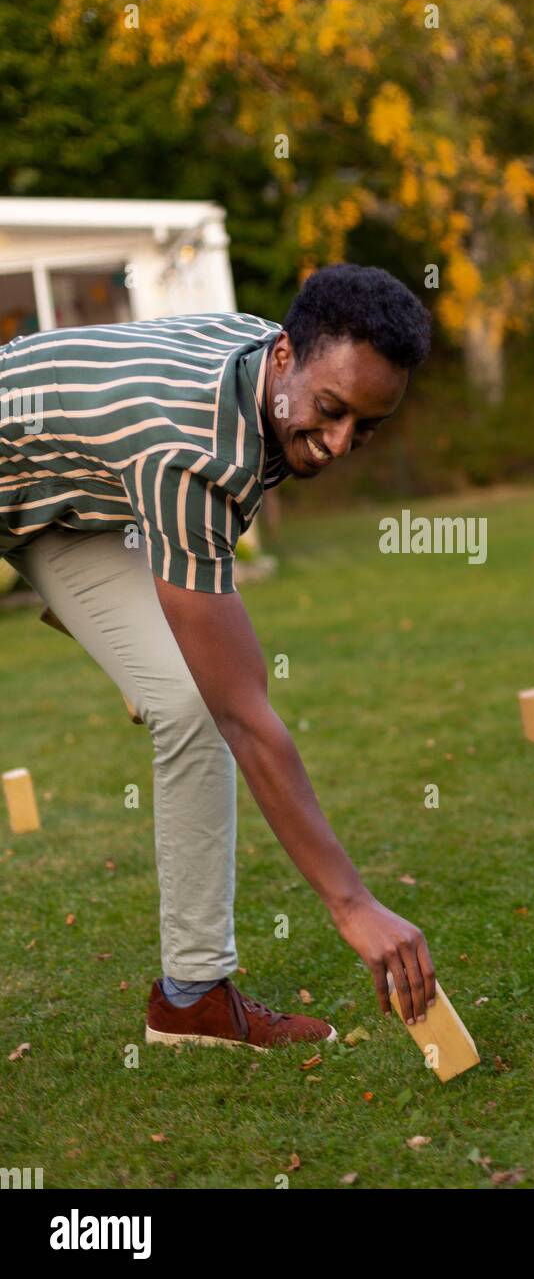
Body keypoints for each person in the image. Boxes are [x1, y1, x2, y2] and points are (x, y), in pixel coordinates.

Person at [0, 263, 437, 1048]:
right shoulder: (194, 450)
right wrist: (353, 904)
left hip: (58, 498)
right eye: (331, 411)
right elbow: (248, 715)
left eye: (363, 428)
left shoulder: (260, 368)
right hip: (26, 475)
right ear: (283, 358)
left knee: (190, 700)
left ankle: (191, 998)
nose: (339, 444)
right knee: (218, 702)